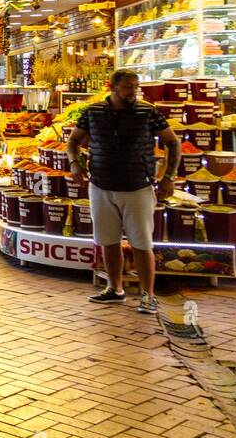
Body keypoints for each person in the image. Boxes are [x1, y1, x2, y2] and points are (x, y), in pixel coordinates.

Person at [68, 70, 179, 314]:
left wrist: (169, 177)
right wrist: (74, 163)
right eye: (129, 87)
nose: (134, 91)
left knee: (141, 243)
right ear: (113, 87)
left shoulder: (148, 112)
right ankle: (114, 288)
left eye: (136, 87)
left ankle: (148, 294)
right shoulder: (93, 112)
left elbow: (173, 142)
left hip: (137, 186)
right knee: (108, 241)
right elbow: (73, 140)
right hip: (100, 186)